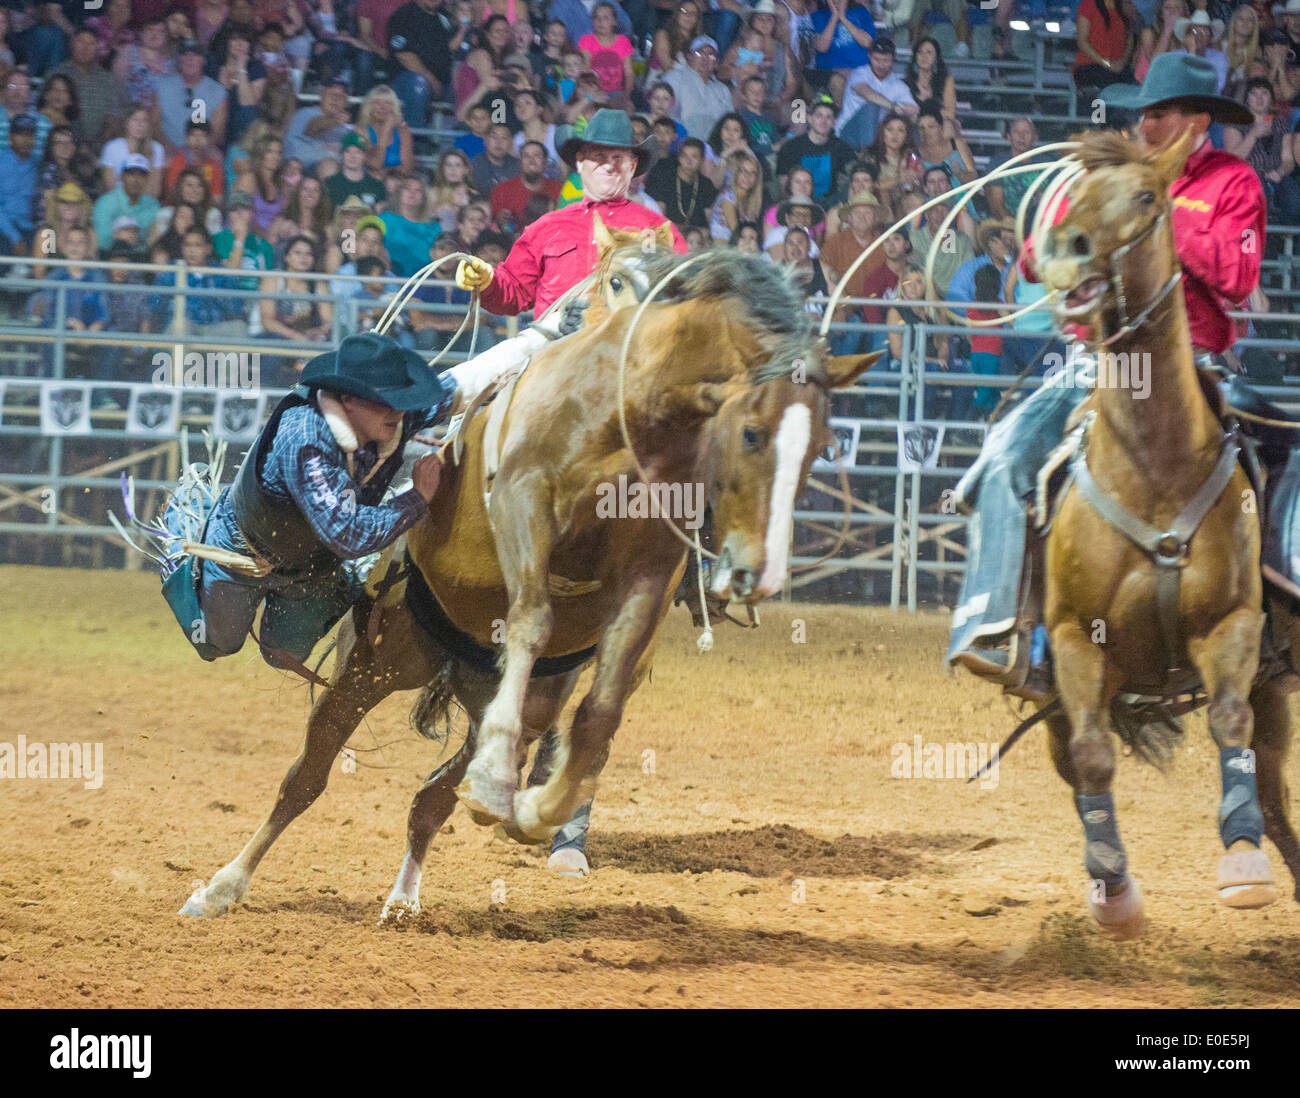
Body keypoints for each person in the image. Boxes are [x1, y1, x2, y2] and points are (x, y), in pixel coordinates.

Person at [947, 54, 1265, 692]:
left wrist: (1157, 216)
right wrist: (1073, 231)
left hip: (1194, 363)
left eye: (1162, 111)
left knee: (1277, 465)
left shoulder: (1234, 183)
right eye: (1143, 111)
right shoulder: (1106, 173)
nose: (1146, 122)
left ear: (1200, 118)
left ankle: (1276, 620)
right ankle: (996, 623)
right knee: (1007, 449)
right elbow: (1040, 257)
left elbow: (1238, 274)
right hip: (1099, 360)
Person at [445, 110, 688, 876]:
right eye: (596, 157)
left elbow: (677, 306)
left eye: (619, 158)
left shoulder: (659, 234)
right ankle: (412, 511)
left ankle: (695, 552)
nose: (607, 167)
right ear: (579, 163)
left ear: (633, 166)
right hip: (549, 348)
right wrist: (488, 283)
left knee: (686, 461)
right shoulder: (547, 227)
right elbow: (517, 294)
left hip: (625, 367)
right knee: (458, 394)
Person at [158, 332, 450, 682]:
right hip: (244, 548)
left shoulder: (390, 418)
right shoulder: (305, 435)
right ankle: (185, 526)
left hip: (312, 562)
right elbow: (349, 536)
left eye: (401, 400)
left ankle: (348, 576)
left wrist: (528, 350)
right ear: (349, 400)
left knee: (284, 654)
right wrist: (417, 497)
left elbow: (460, 388)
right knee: (215, 643)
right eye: (383, 400)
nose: (396, 410)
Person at [835, 36, 915, 149]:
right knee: (871, 107)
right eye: (876, 59)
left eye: (886, 60)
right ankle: (869, 157)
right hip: (848, 134)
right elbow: (867, 93)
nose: (881, 65)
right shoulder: (860, 73)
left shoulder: (899, 86)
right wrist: (893, 106)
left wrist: (907, 112)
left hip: (881, 138)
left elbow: (913, 111)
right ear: (869, 56)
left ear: (893, 59)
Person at [775, 98, 855, 200]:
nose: (823, 121)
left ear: (834, 122)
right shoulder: (791, 147)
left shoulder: (842, 148)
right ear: (809, 119)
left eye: (828, 117)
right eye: (819, 116)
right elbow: (784, 186)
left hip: (831, 203)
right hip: (799, 202)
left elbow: (854, 178)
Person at [662, 35, 735, 140]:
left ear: (716, 63)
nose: (705, 58)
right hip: (681, 143)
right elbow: (663, 112)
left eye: (711, 55)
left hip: (713, 148)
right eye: (699, 53)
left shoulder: (722, 89)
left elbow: (729, 120)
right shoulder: (675, 77)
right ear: (689, 57)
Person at [92, 154, 162, 252]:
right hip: (109, 257)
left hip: (141, 259)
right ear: (122, 176)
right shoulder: (105, 202)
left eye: (141, 175)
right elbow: (99, 240)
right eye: (131, 174)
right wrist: (116, 236)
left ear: (147, 179)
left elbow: (156, 239)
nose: (136, 180)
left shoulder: (153, 205)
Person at [644, 136, 718, 229]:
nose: (688, 161)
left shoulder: (706, 185)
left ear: (701, 160)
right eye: (684, 156)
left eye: (694, 157)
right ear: (679, 157)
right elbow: (659, 218)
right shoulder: (664, 178)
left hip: (696, 238)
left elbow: (708, 220)